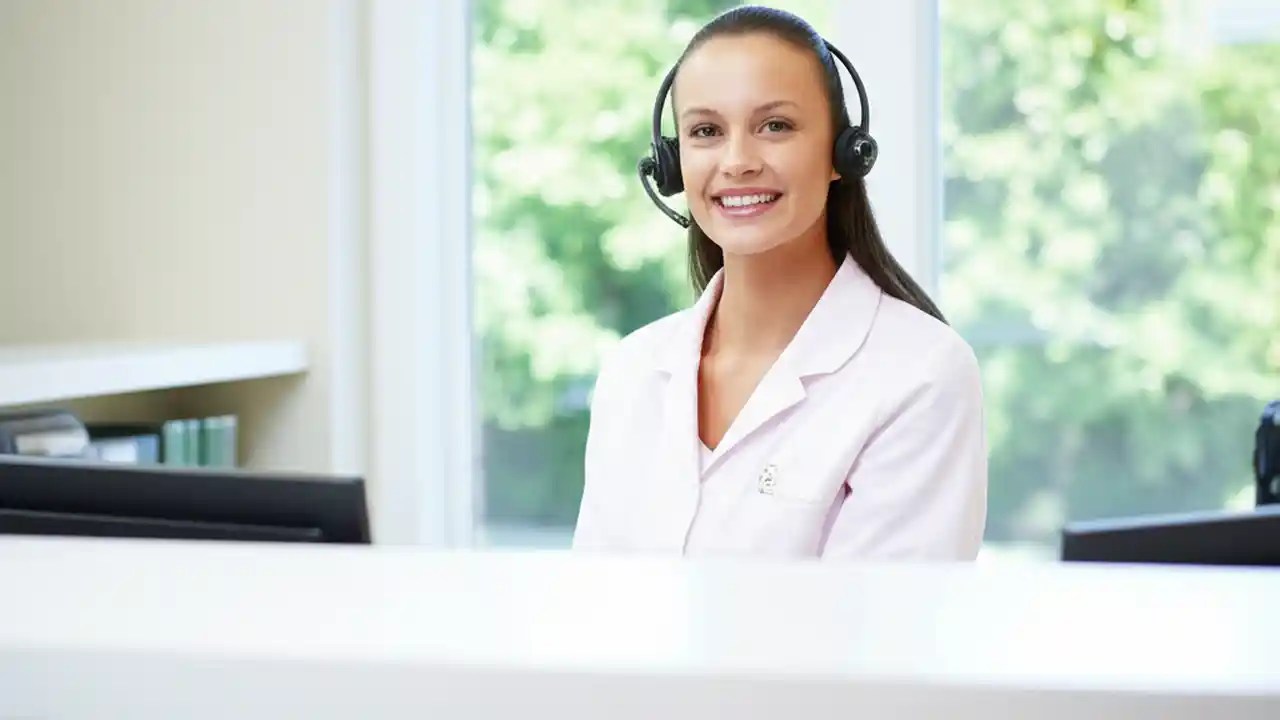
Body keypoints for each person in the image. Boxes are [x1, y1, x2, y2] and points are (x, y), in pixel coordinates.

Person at [572, 5, 988, 560]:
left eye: (776, 126)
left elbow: (888, 634)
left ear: (845, 153)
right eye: (705, 131)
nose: (738, 160)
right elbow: (595, 613)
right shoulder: (634, 372)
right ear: (672, 165)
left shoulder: (920, 374)